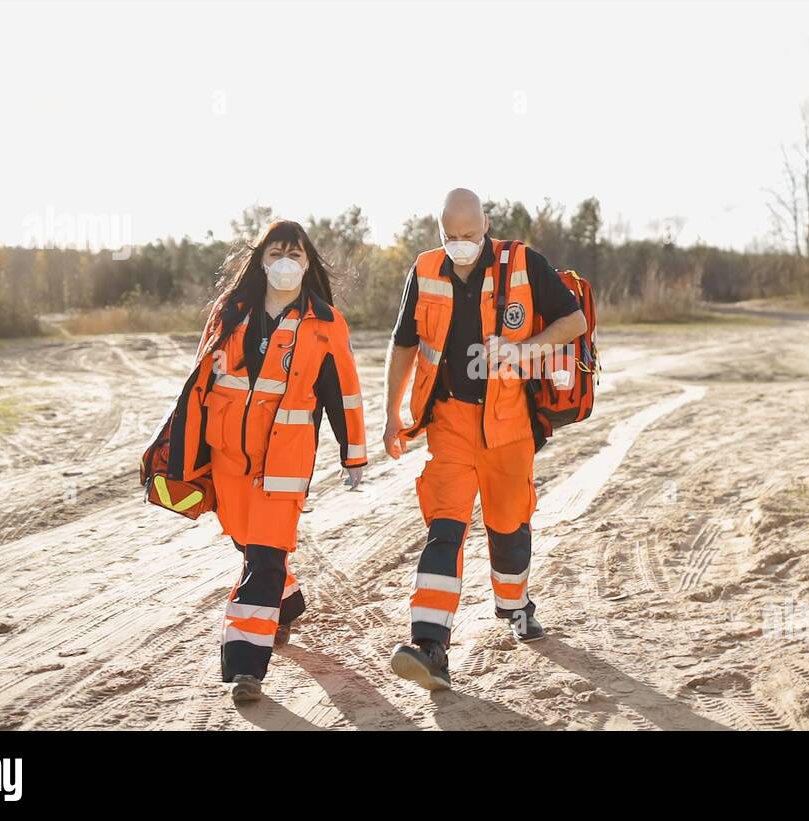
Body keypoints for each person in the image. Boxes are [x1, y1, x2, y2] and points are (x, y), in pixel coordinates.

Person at [145, 219, 367, 704]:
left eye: (296, 254)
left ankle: (245, 665)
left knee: (265, 555)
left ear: (308, 264)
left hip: (285, 461)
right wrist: (186, 449)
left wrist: (354, 454)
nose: (285, 262)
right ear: (261, 260)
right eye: (275, 253)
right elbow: (200, 381)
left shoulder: (325, 321)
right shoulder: (231, 311)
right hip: (228, 458)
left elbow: (342, 391)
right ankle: (287, 604)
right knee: (250, 544)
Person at [381, 188, 588, 691]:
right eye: (450, 236)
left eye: (469, 235)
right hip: (450, 422)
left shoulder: (523, 263)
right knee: (444, 529)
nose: (460, 245)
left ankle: (516, 606)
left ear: (487, 224)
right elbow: (404, 342)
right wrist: (390, 413)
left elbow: (575, 320)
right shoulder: (426, 270)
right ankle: (430, 647)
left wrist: (525, 351)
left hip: (510, 424)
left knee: (508, 526)